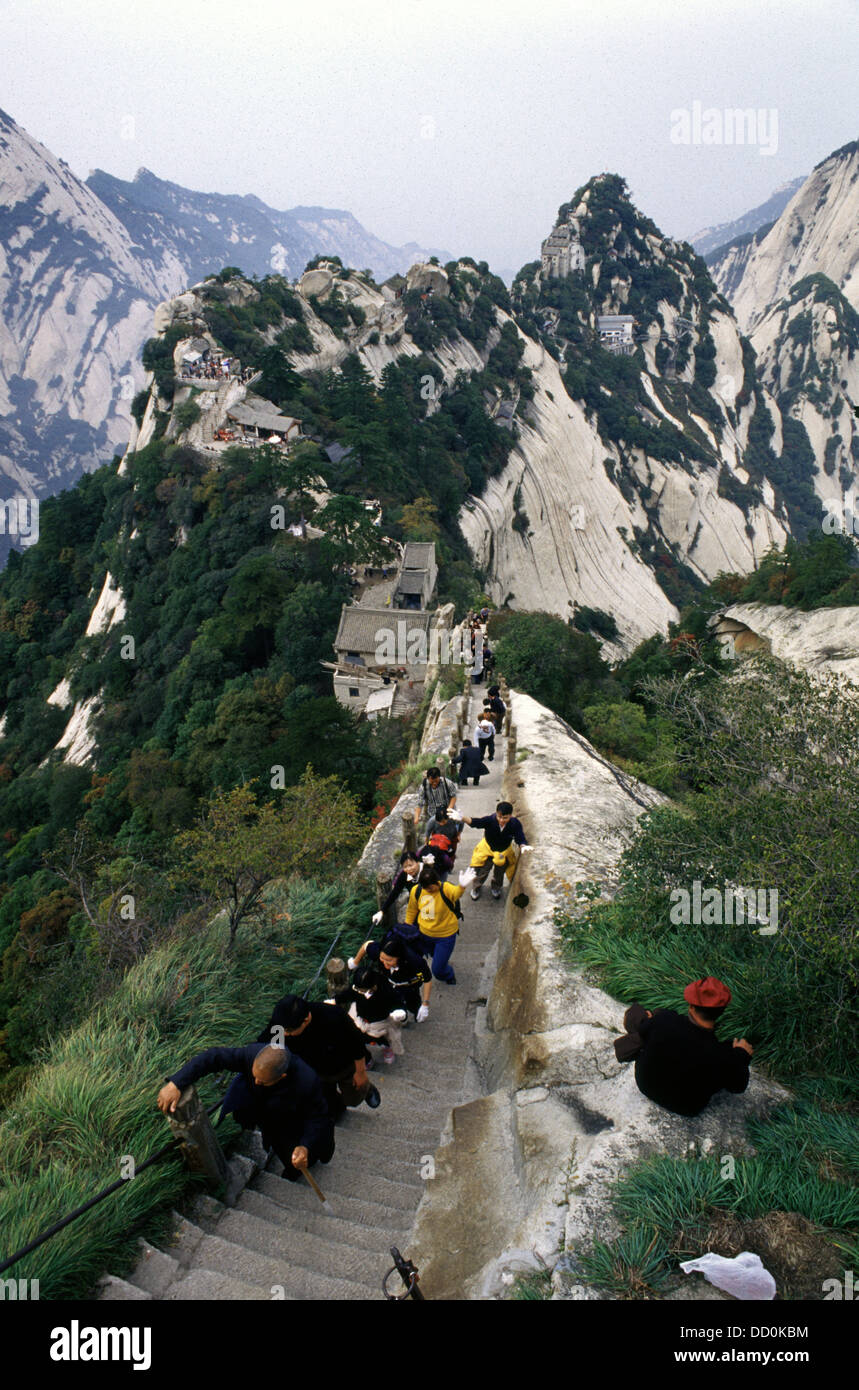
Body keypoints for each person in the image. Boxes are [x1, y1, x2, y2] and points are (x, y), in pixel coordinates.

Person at [157, 1042, 334, 1182]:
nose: (256, 1081)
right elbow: (213, 1057)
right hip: (267, 1116)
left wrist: (305, 1146)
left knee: (302, 1154)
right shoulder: (251, 1054)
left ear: (282, 1077)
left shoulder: (307, 1081)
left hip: (293, 1120)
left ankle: (299, 1166)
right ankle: (288, 1165)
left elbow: (317, 1117)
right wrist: (177, 1083)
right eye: (254, 1075)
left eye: (263, 1081)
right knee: (281, 1150)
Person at [622, 979, 753, 1117]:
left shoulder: (663, 1019)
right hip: (686, 1106)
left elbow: (642, 1029)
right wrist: (742, 1055)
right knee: (725, 1054)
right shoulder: (721, 1055)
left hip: (645, 1085)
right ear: (721, 1012)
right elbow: (738, 1086)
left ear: (691, 1006)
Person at [258, 993, 380, 1118]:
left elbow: (357, 1042)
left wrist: (360, 1073)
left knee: (353, 1099)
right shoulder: (282, 1023)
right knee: (326, 1100)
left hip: (344, 1067)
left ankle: (367, 1090)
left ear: (305, 1021)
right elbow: (263, 1044)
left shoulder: (333, 1016)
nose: (283, 1034)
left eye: (288, 1031)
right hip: (315, 1072)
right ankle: (337, 1110)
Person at [403, 864, 476, 985]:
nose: (429, 891)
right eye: (426, 888)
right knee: (435, 957)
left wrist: (462, 886)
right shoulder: (417, 891)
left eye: (431, 888)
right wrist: (406, 927)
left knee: (437, 969)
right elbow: (412, 910)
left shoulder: (445, 888)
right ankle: (443, 964)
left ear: (437, 881)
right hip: (424, 934)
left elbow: (455, 893)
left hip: (445, 936)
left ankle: (448, 974)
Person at [348, 932, 432, 1021]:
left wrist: (425, 1004)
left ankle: (416, 1013)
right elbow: (366, 945)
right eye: (382, 958)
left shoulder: (415, 962)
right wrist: (355, 962)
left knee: (413, 1003)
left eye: (389, 960)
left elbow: (427, 979)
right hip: (389, 985)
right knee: (396, 1008)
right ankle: (403, 1019)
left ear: (399, 957)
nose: (385, 963)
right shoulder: (380, 951)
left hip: (409, 987)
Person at [458, 800, 531, 899]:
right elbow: (476, 822)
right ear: (496, 814)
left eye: (505, 818)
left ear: (510, 815)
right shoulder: (490, 820)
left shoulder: (515, 824)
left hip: (503, 851)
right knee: (482, 870)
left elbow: (520, 837)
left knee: (499, 872)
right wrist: (463, 818)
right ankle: (476, 887)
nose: (501, 820)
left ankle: (496, 887)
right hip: (487, 849)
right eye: (499, 817)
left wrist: (523, 845)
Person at [342, 960, 408, 1064]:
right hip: (362, 1017)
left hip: (380, 1021)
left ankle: (387, 1048)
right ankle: (368, 1058)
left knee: (383, 1038)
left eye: (362, 990)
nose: (359, 992)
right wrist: (335, 999)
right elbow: (349, 993)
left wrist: (401, 1013)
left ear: (373, 986)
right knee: (362, 1037)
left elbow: (397, 1001)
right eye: (358, 989)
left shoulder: (385, 990)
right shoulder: (358, 987)